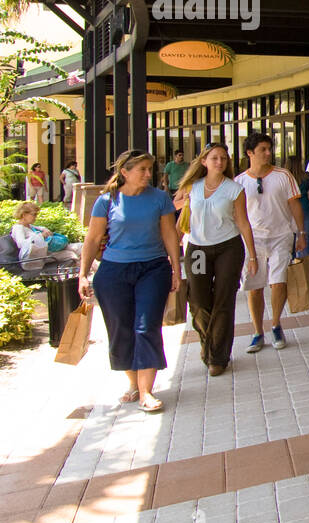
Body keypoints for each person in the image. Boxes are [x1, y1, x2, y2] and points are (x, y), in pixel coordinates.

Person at [78, 150, 181, 414]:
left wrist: (175, 269)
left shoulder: (159, 198)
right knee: (120, 329)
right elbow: (92, 239)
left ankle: (147, 391)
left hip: (153, 268)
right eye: (142, 169)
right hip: (113, 272)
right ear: (125, 171)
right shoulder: (107, 201)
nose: (148, 174)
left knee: (146, 326)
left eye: (150, 169)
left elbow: (170, 233)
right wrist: (83, 274)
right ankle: (134, 384)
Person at [174, 143, 258, 377]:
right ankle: (208, 345)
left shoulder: (234, 189)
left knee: (223, 300)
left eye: (223, 158)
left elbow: (243, 222)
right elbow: (175, 207)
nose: (219, 162)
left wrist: (252, 254)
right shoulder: (193, 186)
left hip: (227, 249)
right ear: (204, 162)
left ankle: (217, 357)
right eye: (214, 158)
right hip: (199, 249)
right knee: (199, 301)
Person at [235, 133, 307, 353]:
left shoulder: (283, 175)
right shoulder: (240, 181)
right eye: (263, 149)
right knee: (254, 287)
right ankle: (258, 332)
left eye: (269, 149)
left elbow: (295, 205)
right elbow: (237, 215)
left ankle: (276, 324)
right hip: (252, 240)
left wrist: (301, 232)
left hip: (281, 235)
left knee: (279, 281)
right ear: (250, 153)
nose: (268, 153)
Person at [9, 201, 77, 270]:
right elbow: (21, 244)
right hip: (39, 257)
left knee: (79, 247)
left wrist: (45, 230)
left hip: (47, 251)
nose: (36, 217)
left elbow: (40, 228)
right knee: (72, 255)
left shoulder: (29, 226)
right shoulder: (18, 228)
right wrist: (41, 236)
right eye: (34, 214)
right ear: (24, 215)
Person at [287, 155, 309, 254]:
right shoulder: (307, 176)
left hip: (290, 209)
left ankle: (291, 264)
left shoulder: (285, 178)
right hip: (306, 208)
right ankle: (305, 264)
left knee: (290, 238)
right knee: (305, 237)